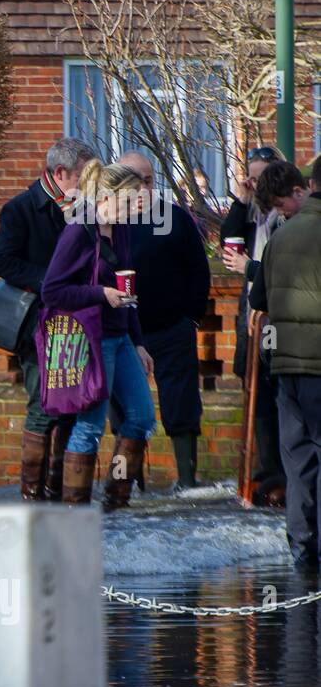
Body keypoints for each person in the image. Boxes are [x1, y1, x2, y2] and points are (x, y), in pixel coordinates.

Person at [41, 159, 157, 508]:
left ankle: (116, 496)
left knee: (141, 418)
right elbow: (52, 290)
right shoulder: (79, 230)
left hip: (120, 337)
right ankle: (75, 507)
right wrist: (100, 294)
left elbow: (127, 289)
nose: (135, 207)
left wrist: (138, 342)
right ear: (105, 198)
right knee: (90, 425)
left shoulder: (120, 229)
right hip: (91, 339)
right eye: (128, 200)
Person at [0, 136, 98, 502]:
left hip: (75, 322)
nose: (90, 183)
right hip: (37, 322)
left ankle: (57, 488)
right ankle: (31, 494)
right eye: (84, 175)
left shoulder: (86, 209)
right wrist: (49, 282)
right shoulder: (20, 209)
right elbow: (2, 262)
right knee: (42, 402)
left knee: (69, 403)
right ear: (60, 173)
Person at [109, 152, 210, 489]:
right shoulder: (107, 222)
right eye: (136, 180)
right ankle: (128, 483)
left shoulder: (175, 219)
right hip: (122, 332)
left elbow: (198, 271)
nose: (144, 187)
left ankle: (186, 478)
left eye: (149, 180)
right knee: (126, 412)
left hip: (171, 328)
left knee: (181, 406)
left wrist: (190, 319)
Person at [249, 160, 321, 567]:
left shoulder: (280, 237)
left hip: (286, 366)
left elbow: (258, 300)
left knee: (297, 461)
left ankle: (301, 548)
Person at [221, 145, 287, 504]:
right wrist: (238, 200)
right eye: (251, 176)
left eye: (261, 178)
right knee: (257, 393)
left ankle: (282, 475)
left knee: (279, 393)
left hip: (277, 318)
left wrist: (249, 267)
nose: (254, 184)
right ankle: (266, 474)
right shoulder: (252, 211)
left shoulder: (283, 216)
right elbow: (227, 242)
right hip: (250, 315)